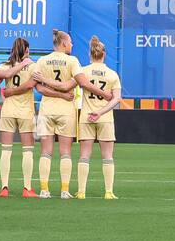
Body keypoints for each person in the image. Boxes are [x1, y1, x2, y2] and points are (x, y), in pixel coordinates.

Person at [31, 29, 113, 198]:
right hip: (66, 111)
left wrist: (46, 82)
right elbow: (78, 84)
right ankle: (64, 190)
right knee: (65, 152)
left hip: (46, 110)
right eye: (70, 42)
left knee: (45, 152)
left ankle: (44, 190)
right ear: (63, 43)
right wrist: (105, 94)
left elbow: (38, 87)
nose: (72, 45)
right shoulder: (72, 61)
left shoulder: (42, 60)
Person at [76, 36, 122, 199]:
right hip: (105, 118)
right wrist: (101, 112)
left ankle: (81, 191)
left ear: (91, 54)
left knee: (84, 155)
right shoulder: (112, 74)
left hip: (86, 116)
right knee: (108, 156)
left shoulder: (83, 71)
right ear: (104, 54)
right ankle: (108, 192)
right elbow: (116, 98)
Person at [0, 38, 38, 197]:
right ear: (26, 50)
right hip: (25, 111)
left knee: (6, 150)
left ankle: (4, 187)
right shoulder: (33, 66)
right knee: (27, 150)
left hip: (8, 110)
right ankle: (27, 188)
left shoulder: (4, 66)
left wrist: (10, 91)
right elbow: (29, 85)